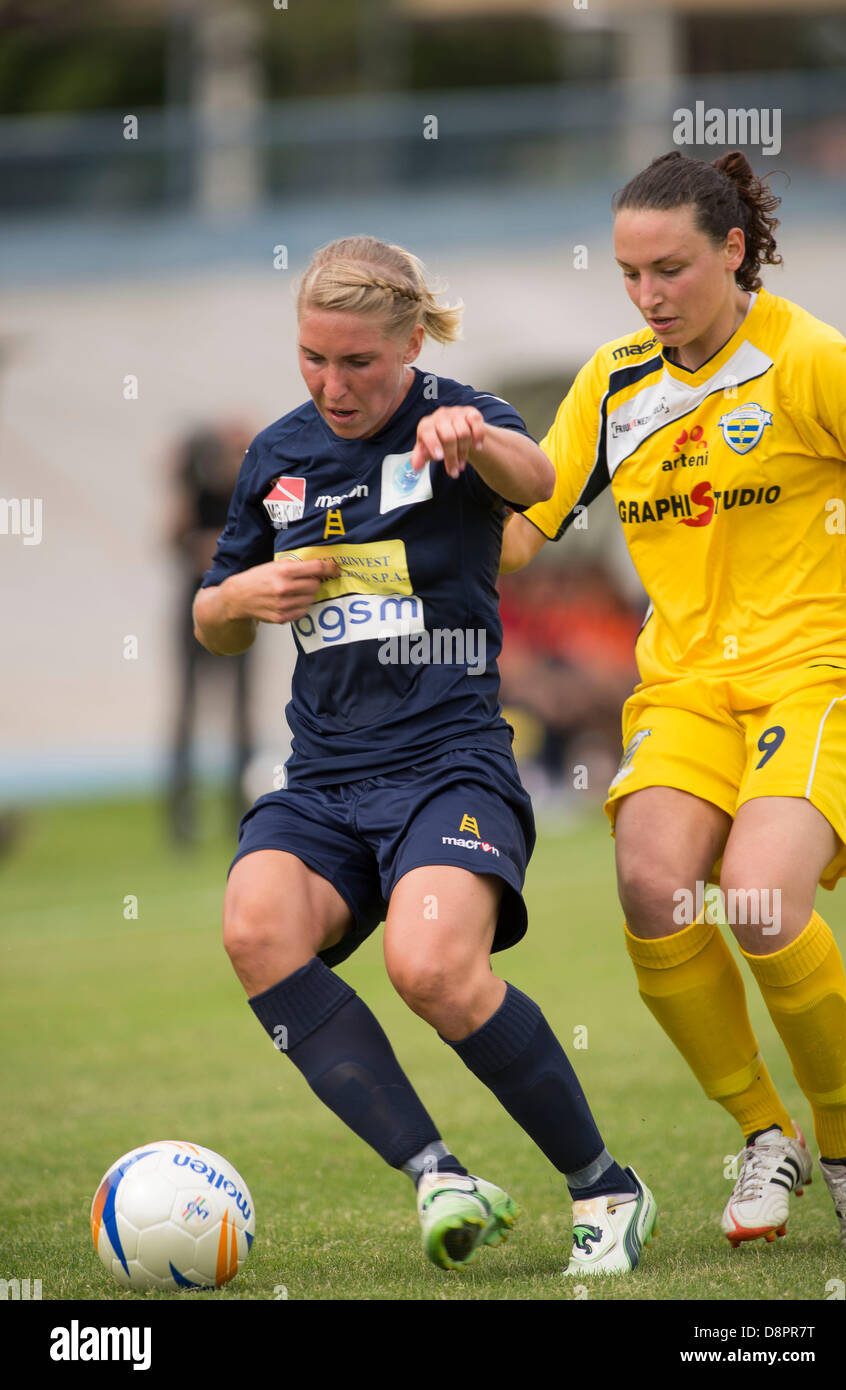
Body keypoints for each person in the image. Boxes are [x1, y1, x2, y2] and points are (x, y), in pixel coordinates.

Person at [192, 236, 656, 1278]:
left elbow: (538, 479)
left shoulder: (460, 421)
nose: (332, 383)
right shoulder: (276, 456)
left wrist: (477, 440)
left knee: (431, 967)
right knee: (254, 927)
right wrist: (237, 599)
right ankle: (440, 1175)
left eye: (358, 361)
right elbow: (210, 618)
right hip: (322, 781)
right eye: (313, 357)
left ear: (410, 341)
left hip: (450, 767)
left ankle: (605, 1187)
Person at [502, 150, 846, 1252]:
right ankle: (766, 1133)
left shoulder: (812, 361)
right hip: (684, 686)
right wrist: (452, 472)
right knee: (651, 882)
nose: (648, 296)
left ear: (733, 251)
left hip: (814, 674)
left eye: (668, 269)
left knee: (758, 900)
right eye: (627, 275)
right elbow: (525, 527)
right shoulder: (613, 381)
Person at [167, 422, 253, 841]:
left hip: (238, 604)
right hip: (194, 605)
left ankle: (239, 810)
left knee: (241, 714)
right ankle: (180, 817)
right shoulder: (197, 488)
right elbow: (173, 539)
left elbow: (251, 543)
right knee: (186, 713)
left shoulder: (247, 491)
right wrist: (181, 481)